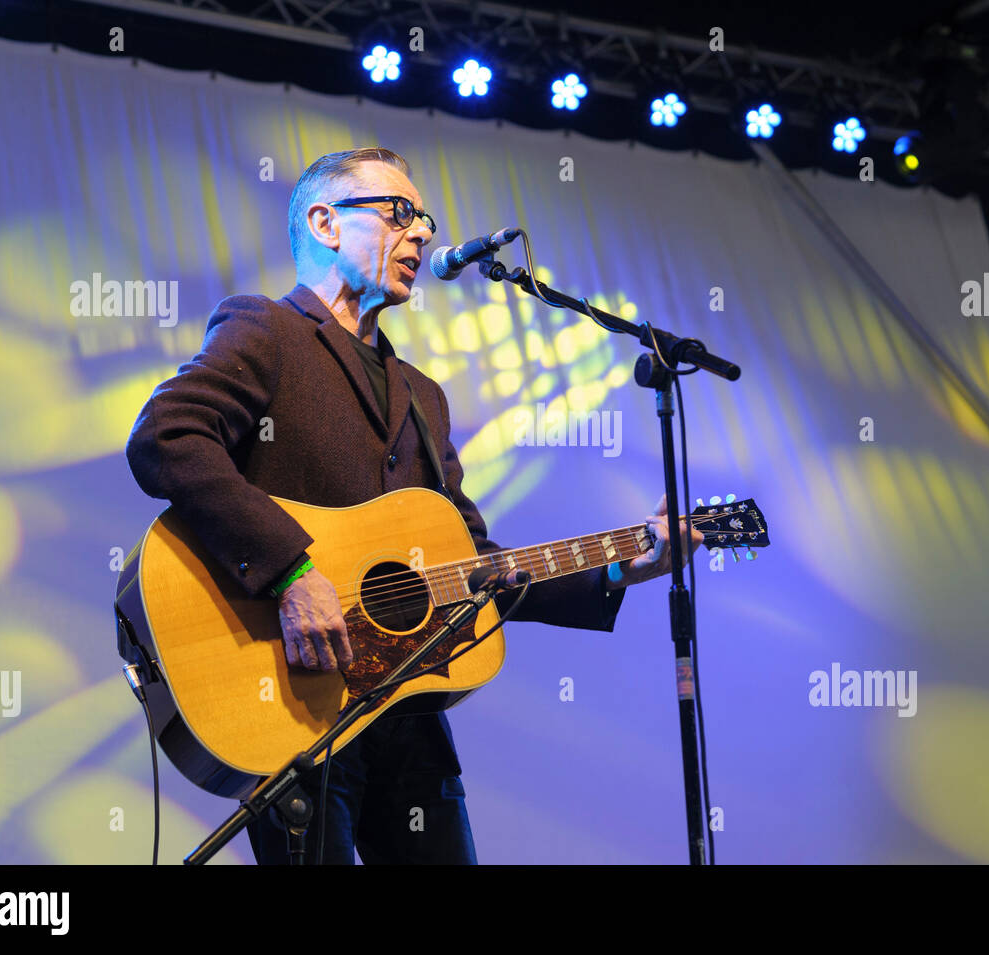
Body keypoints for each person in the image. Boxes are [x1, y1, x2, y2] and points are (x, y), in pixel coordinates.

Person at [125, 147, 702, 864]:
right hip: (296, 703)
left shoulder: (423, 396)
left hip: (407, 713)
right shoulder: (265, 330)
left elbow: (475, 566)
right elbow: (166, 436)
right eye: (399, 213)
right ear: (325, 223)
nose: (423, 234)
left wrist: (622, 565)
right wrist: (289, 572)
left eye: (424, 219)